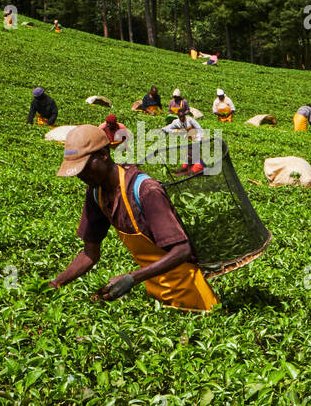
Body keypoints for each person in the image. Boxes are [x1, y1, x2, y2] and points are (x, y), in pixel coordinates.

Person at [48, 124, 218, 311]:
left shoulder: (146, 191)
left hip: (192, 295)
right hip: (156, 296)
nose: (80, 175)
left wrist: (131, 278)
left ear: (104, 155)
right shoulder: (96, 192)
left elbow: (182, 250)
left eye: (84, 167)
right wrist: (55, 284)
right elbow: (90, 253)